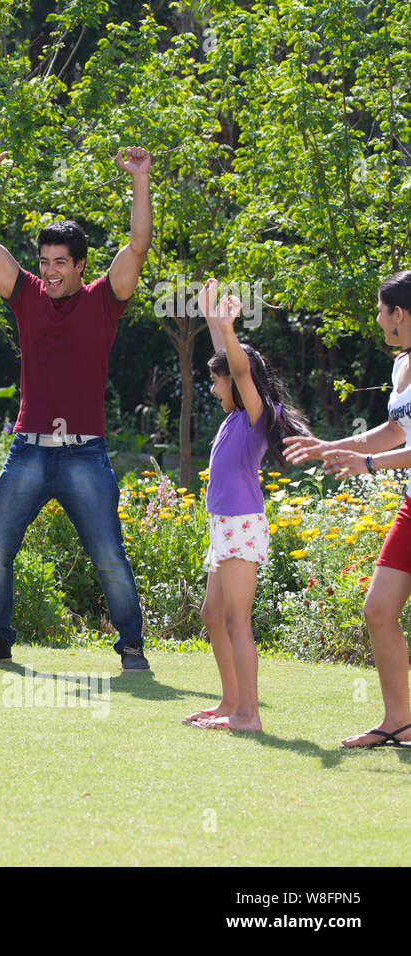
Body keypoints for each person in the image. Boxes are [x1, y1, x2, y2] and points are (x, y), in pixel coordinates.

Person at [0, 138, 153, 670]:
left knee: (109, 558)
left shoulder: (103, 301)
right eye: (43, 262)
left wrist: (140, 179)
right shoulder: (25, 295)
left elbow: (137, 247)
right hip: (28, 450)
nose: (49, 272)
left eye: (60, 263)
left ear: (80, 265)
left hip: (84, 455)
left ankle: (131, 646)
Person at [285, 270, 411, 747]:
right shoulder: (401, 364)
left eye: (381, 311)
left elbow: (384, 451)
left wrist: (371, 464)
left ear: (399, 313)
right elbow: (394, 432)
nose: (378, 320)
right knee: (379, 610)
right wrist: (324, 447)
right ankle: (398, 721)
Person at [186, 279, 308, 731]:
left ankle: (248, 716)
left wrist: (229, 329)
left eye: (217, 383)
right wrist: (213, 321)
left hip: (240, 524)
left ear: (238, 385)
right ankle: (230, 702)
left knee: (237, 619)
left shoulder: (260, 413)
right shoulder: (238, 413)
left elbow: (238, 372)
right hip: (223, 526)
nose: (214, 390)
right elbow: (231, 366)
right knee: (213, 615)